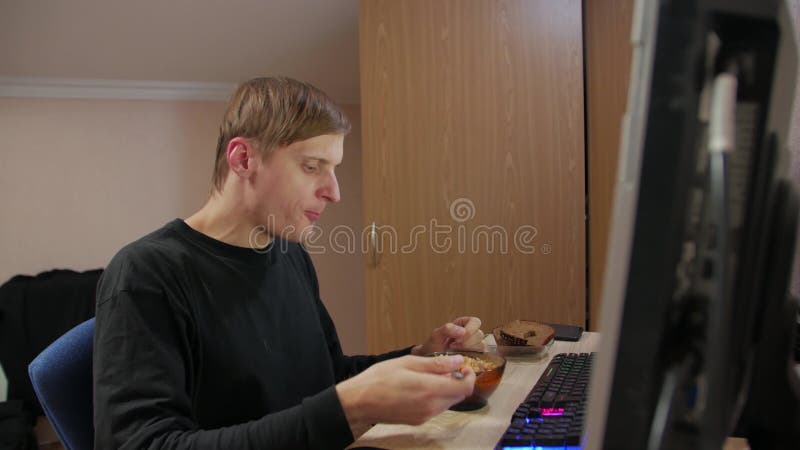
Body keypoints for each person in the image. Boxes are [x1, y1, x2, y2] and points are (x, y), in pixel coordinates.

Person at [93, 76, 487, 449]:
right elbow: (145, 443)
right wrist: (349, 407)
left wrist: (420, 355)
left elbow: (327, 376)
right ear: (243, 158)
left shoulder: (287, 252)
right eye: (312, 167)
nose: (333, 192)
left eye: (333, 170)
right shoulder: (147, 274)